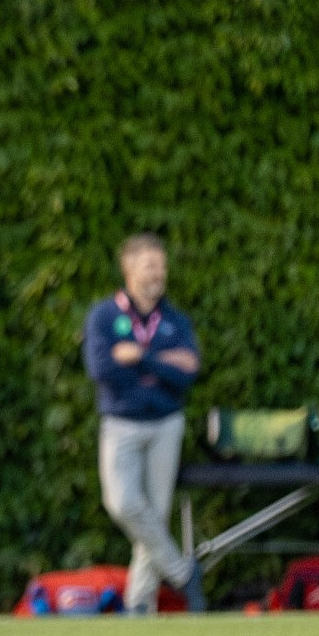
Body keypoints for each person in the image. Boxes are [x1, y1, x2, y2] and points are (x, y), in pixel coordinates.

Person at [82, 233, 204, 613]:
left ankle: (140, 605)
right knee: (123, 504)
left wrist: (141, 358)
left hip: (166, 423)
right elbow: (102, 368)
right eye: (151, 264)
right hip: (122, 425)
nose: (159, 272)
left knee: (155, 512)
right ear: (129, 268)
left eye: (162, 265)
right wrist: (164, 365)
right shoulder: (105, 315)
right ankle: (183, 573)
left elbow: (189, 372)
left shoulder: (174, 319)